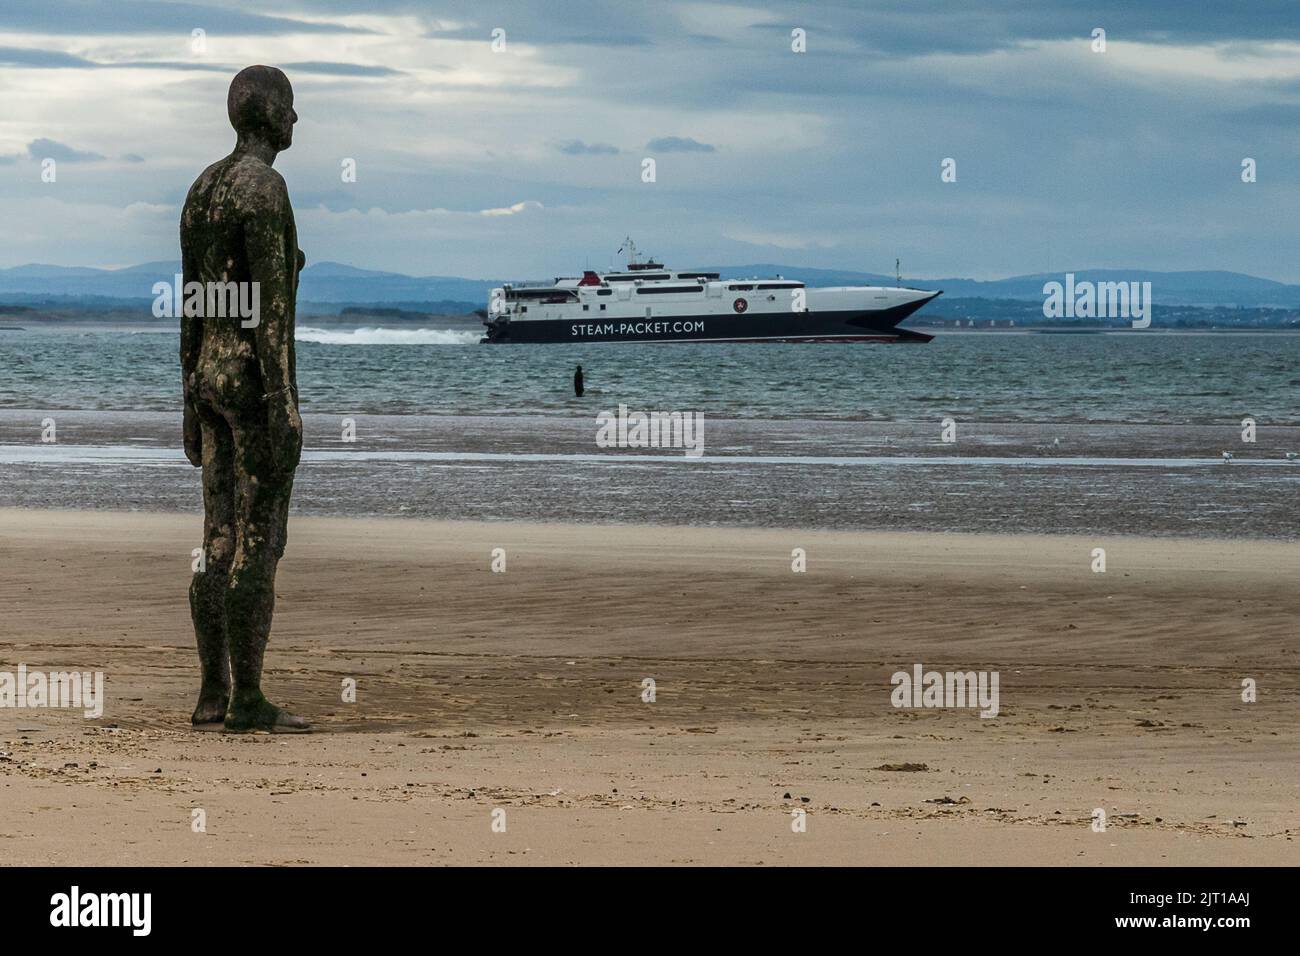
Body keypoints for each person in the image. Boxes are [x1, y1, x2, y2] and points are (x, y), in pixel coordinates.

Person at [179, 65, 309, 733]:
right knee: (260, 540)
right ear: (266, 115)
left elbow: (194, 306)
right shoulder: (265, 188)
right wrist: (284, 401)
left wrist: (186, 395)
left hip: (207, 377)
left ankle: (210, 692)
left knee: (217, 540)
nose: (297, 120)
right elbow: (271, 309)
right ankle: (248, 699)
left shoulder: (202, 190)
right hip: (252, 385)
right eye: (289, 107)